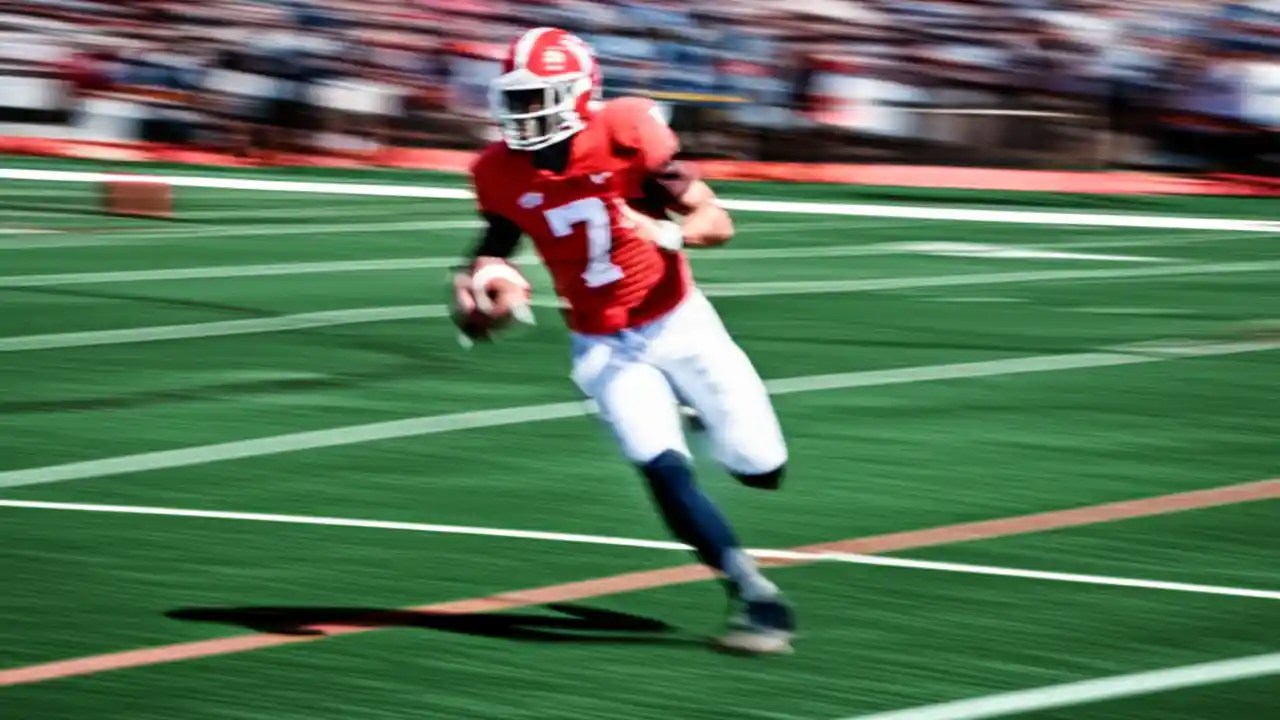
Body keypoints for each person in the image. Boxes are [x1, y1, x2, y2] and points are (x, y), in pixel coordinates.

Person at [451, 27, 794, 654]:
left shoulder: (626, 131)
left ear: (581, 95)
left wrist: (670, 237)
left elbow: (715, 218)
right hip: (603, 343)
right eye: (518, 100)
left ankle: (702, 416)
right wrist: (477, 292)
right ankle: (754, 595)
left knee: (762, 469)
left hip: (680, 322)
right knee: (661, 469)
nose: (525, 115)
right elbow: (493, 246)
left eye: (539, 98)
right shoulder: (498, 170)